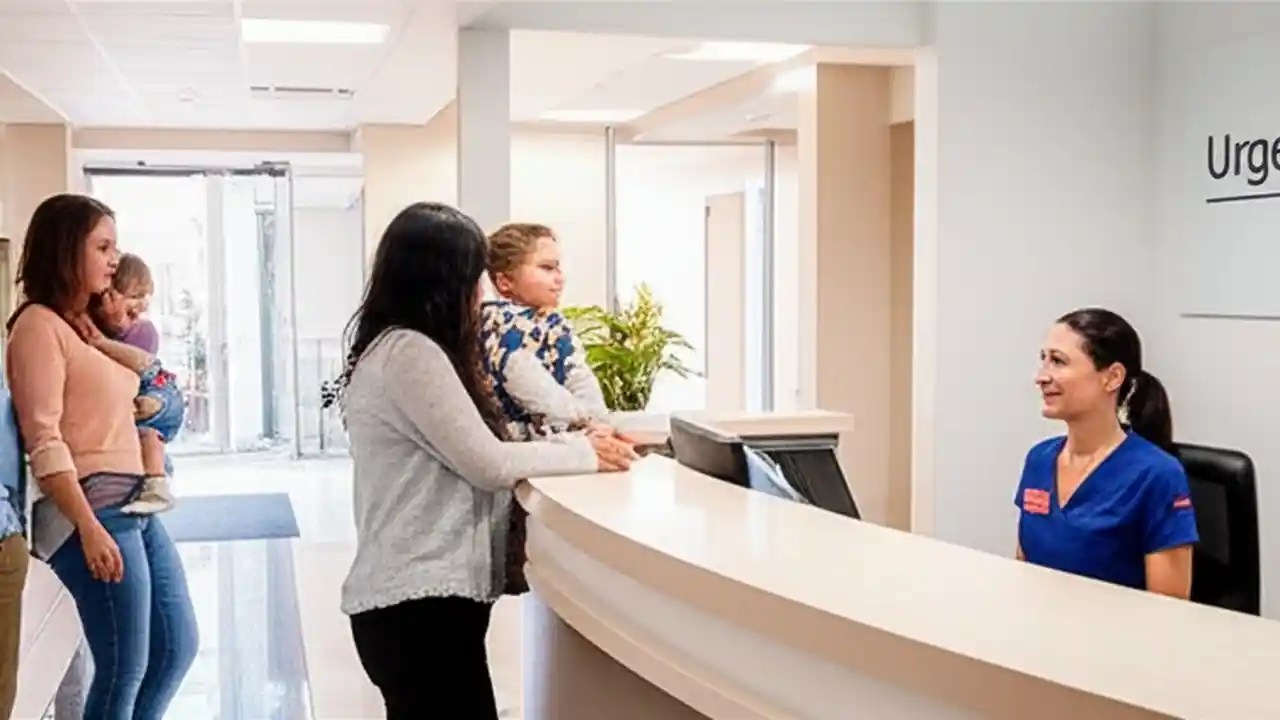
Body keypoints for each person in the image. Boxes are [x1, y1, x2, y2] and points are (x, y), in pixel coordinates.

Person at [326, 202, 636, 719]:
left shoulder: (400, 349)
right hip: (417, 608)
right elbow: (486, 461)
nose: (481, 294)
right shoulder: (409, 353)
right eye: (474, 278)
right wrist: (585, 453)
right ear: (442, 281)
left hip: (420, 608)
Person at [5, 193, 198, 718]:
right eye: (103, 246)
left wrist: (102, 345)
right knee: (122, 667)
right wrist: (88, 526)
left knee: (176, 647)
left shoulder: (79, 326)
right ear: (69, 250)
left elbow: (150, 374)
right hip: (94, 510)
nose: (115, 259)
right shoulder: (37, 327)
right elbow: (44, 439)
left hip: (132, 504)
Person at [1015, 308, 1198, 598]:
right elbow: (1025, 573)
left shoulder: (1158, 474)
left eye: (1058, 361)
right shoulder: (1039, 459)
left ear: (1112, 377)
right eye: (1043, 360)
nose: (1041, 376)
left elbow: (1169, 614)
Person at [480, 222, 610, 440]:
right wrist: (588, 422)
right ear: (505, 281)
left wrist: (597, 423)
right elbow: (542, 397)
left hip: (564, 447)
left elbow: (585, 389)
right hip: (518, 456)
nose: (560, 279)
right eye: (547, 268)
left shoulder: (555, 326)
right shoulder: (497, 325)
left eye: (558, 268)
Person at [80, 253, 183, 514]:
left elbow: (134, 368)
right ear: (109, 295)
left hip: (158, 390)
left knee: (148, 424)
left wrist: (116, 325)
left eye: (146, 297)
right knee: (144, 431)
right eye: (135, 296)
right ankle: (154, 478)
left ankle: (157, 485)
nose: (143, 305)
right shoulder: (99, 329)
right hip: (136, 408)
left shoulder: (142, 331)